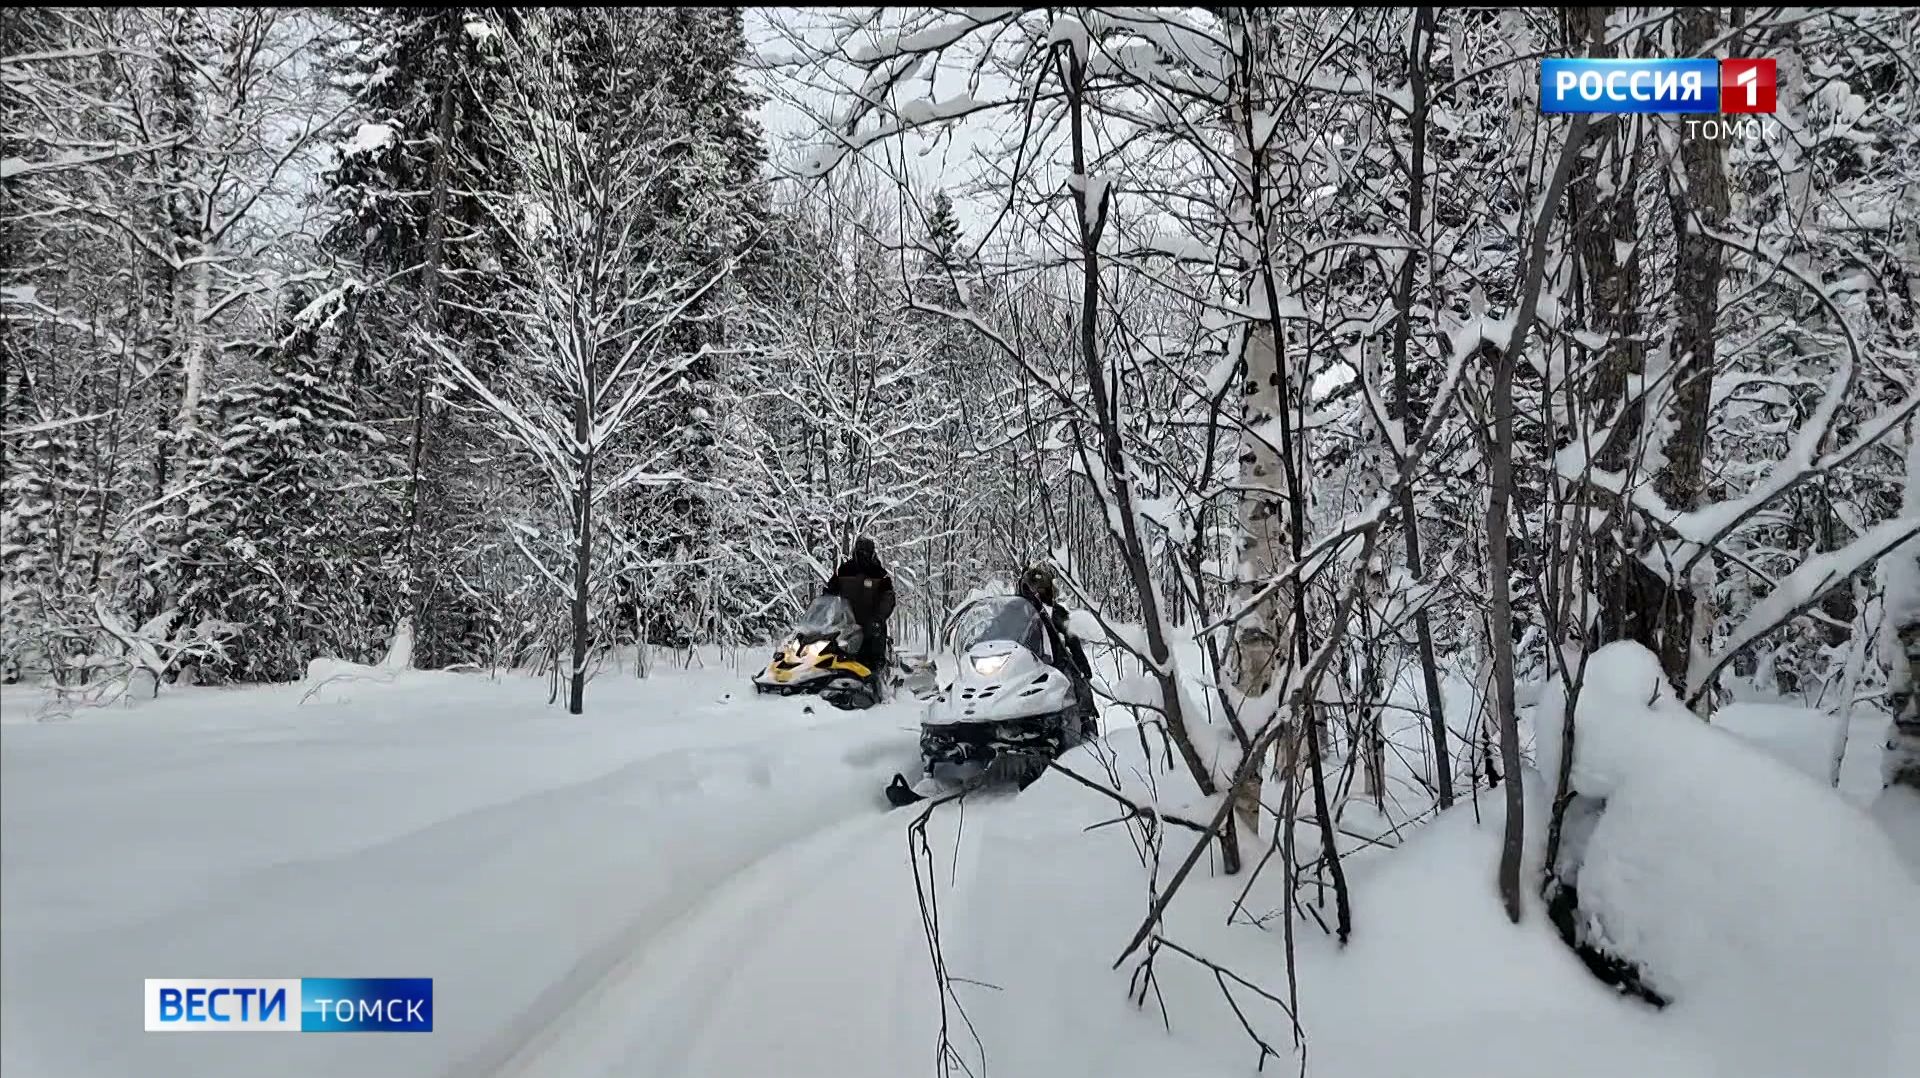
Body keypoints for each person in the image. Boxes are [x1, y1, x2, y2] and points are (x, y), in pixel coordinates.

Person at [823, 537, 896, 674]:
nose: (863, 555)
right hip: (846, 623)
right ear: (855, 551)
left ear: (872, 553)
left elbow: (888, 598)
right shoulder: (845, 570)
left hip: (871, 624)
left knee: (873, 656)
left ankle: (877, 684)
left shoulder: (880, 574)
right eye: (860, 551)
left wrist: (879, 618)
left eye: (866, 552)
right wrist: (824, 607)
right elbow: (830, 591)